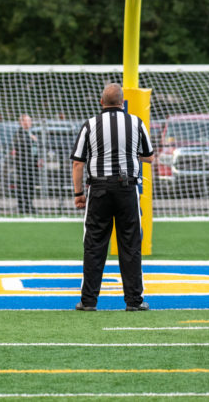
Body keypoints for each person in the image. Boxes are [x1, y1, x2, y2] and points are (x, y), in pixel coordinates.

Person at [71, 83, 155, 312]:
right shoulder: (136, 122)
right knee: (130, 245)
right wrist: (127, 152)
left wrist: (79, 194)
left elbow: (78, 162)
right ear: (122, 102)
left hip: (98, 190)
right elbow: (149, 157)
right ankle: (134, 301)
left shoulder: (90, 124)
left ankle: (88, 301)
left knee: (94, 245)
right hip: (127, 189)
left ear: (101, 102)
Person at [11, 113, 38, 214]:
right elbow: (20, 144)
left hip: (31, 164)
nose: (30, 123)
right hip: (23, 164)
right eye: (27, 120)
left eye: (30, 120)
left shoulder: (30, 132)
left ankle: (29, 204)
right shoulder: (19, 133)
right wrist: (31, 140)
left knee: (30, 184)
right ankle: (22, 205)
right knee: (23, 184)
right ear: (22, 122)